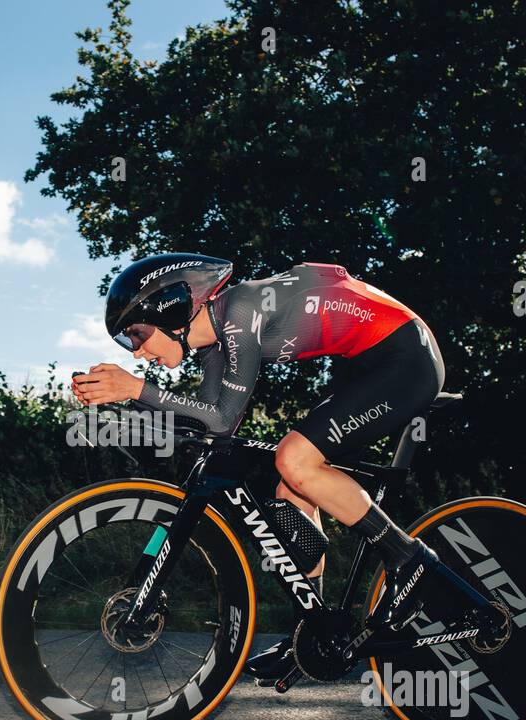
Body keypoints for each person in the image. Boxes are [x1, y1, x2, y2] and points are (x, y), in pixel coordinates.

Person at [71, 253, 446, 671]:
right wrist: (122, 404)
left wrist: (136, 389)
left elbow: (224, 415)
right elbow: (214, 428)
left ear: (172, 310)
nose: (137, 353)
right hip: (363, 367)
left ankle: (409, 557)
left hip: (406, 356)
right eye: (127, 344)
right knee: (292, 486)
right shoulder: (214, 348)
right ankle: (315, 631)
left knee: (294, 458)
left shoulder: (242, 309)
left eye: (135, 335)